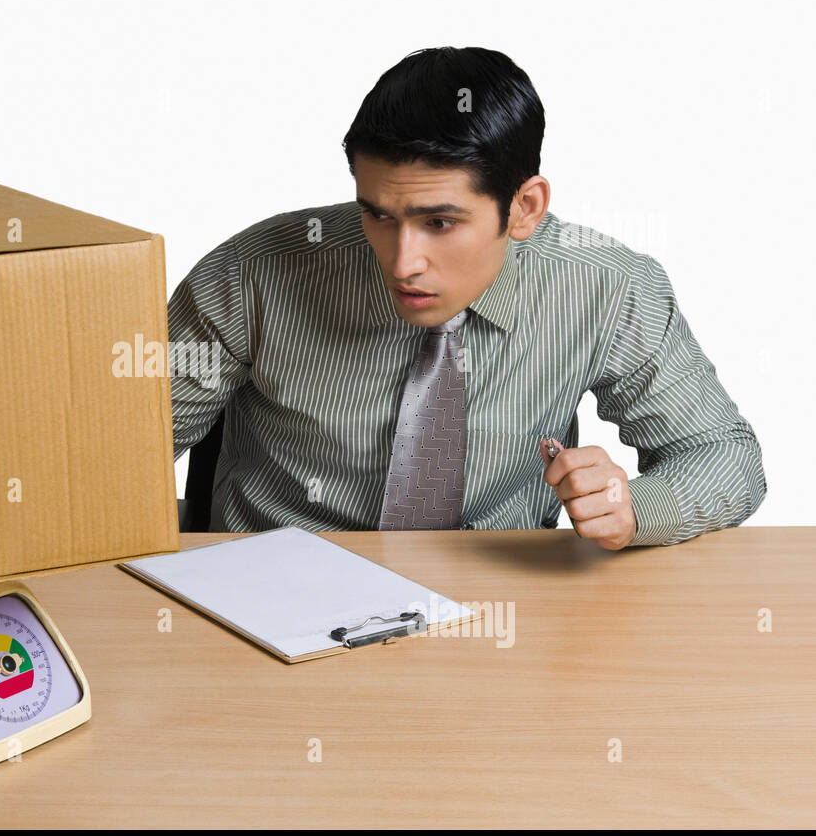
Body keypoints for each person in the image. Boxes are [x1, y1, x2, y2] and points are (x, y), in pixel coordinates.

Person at [167, 46, 764, 548]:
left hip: (499, 601)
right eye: (378, 213)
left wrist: (634, 506)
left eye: (441, 222)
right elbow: (105, 455)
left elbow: (724, 455)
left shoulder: (608, 287)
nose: (403, 262)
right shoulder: (254, 273)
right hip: (268, 595)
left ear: (525, 208)